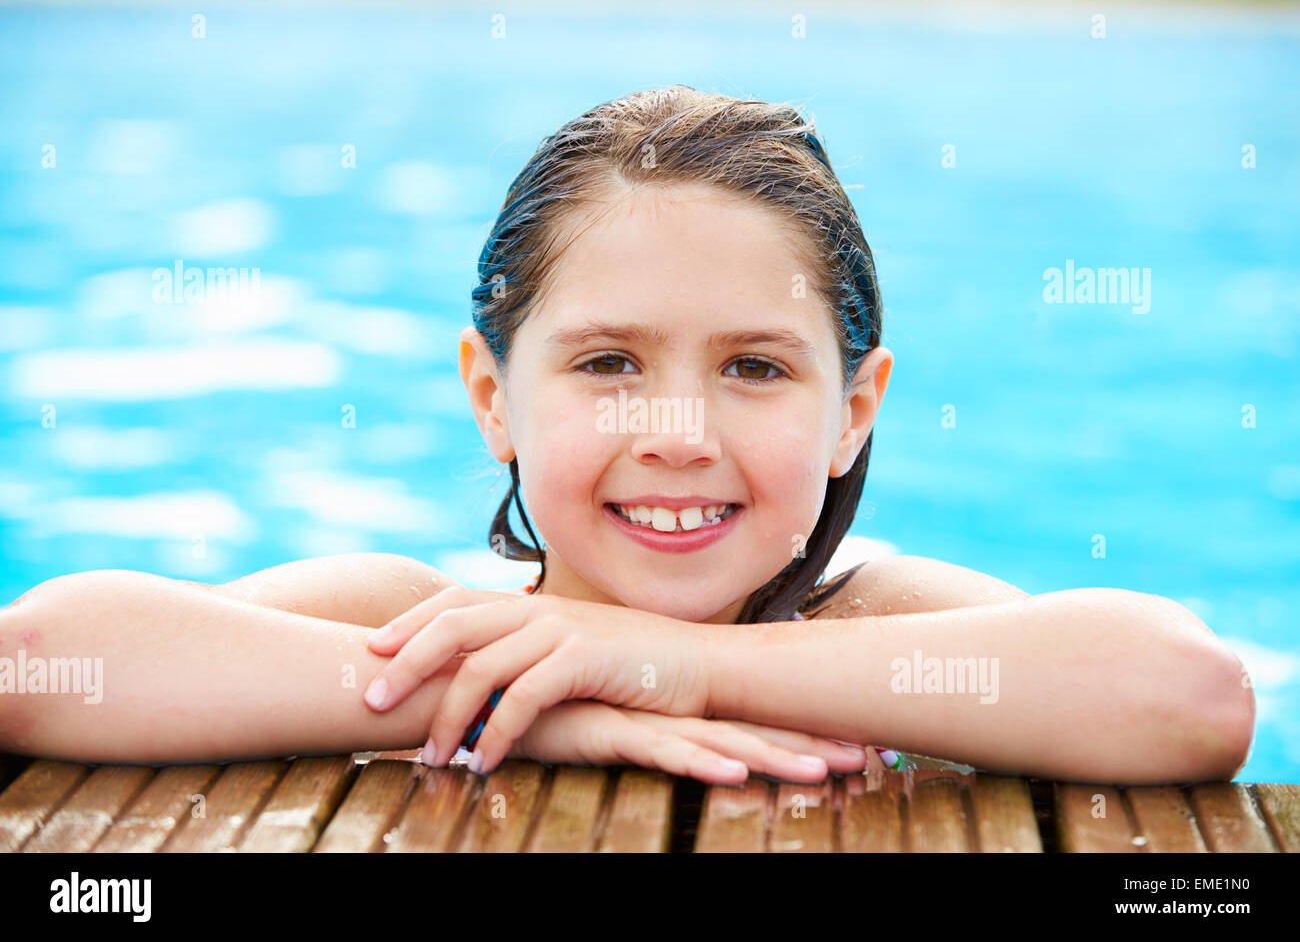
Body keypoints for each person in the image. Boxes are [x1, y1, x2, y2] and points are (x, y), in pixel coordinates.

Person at [0, 87, 1253, 787]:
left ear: (851, 412)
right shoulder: (421, 621)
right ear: (492, 396)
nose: (676, 431)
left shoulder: (875, 627)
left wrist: (676, 663)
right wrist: (533, 703)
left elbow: (1188, 694)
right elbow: (38, 662)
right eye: (608, 364)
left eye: (754, 368)